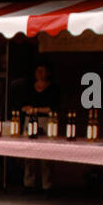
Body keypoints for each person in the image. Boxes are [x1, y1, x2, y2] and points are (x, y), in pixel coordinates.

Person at [20, 61, 61, 193]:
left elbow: (53, 108)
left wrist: (36, 109)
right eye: (37, 71)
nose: (39, 73)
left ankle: (47, 185)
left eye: (42, 71)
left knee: (46, 153)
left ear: (48, 73)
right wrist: (29, 109)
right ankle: (28, 183)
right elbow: (22, 105)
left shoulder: (53, 88)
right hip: (30, 119)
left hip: (46, 121)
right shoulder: (29, 87)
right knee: (28, 152)